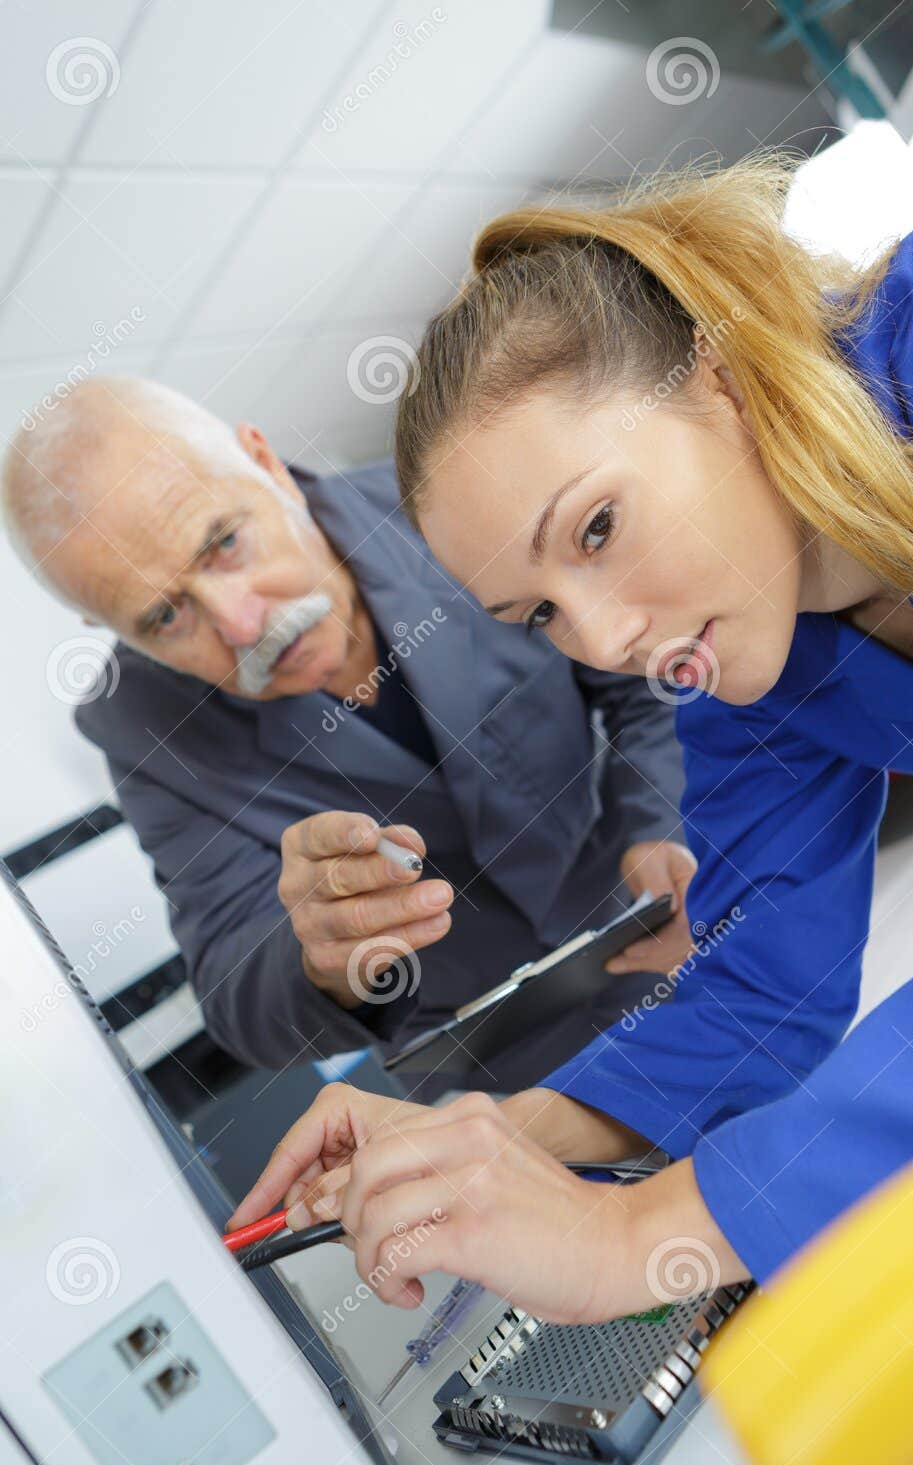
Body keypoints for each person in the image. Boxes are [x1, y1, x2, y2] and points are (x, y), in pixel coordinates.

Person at [231, 159, 913, 1322]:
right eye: (539, 614)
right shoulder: (742, 668)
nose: (607, 638)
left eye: (597, 528)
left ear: (717, 376)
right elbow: (757, 990)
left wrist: (635, 1235)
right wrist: (487, 1144)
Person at [1, 378, 694, 1082]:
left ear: (265, 464)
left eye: (225, 543)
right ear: (110, 629)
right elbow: (234, 995)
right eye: (164, 617)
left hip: (656, 913)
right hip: (498, 1046)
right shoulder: (139, 726)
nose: (243, 624)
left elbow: (640, 677)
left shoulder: (444, 504)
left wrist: (658, 822)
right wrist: (319, 956)